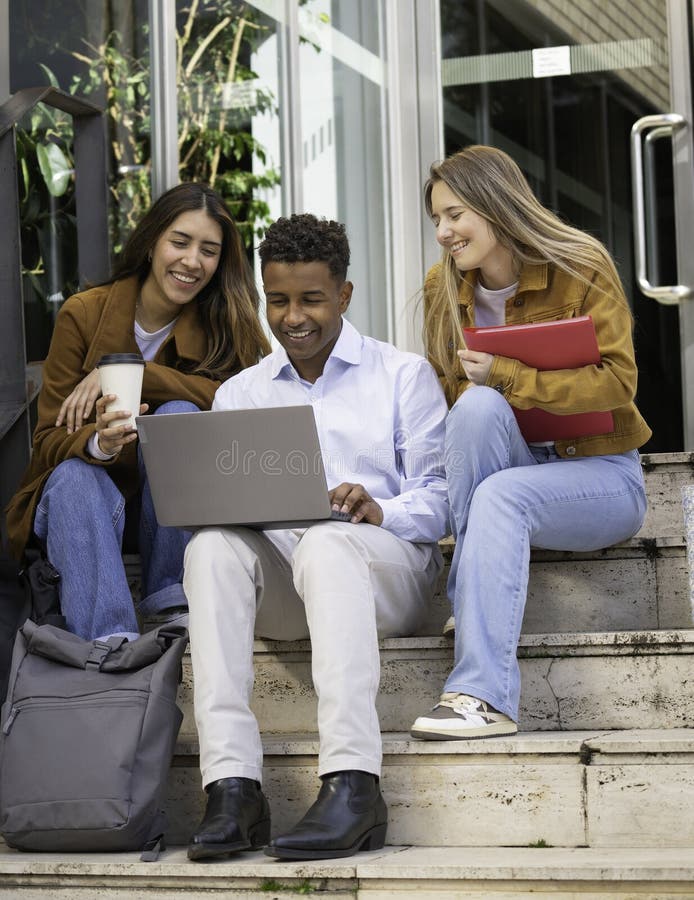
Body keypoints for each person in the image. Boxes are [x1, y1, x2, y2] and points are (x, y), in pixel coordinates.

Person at [183, 213, 449, 861]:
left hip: (387, 577)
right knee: (209, 547)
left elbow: (443, 501)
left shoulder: (402, 375)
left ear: (344, 295)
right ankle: (232, 788)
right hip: (291, 584)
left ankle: (354, 785)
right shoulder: (240, 394)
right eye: (278, 300)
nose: (293, 317)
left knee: (328, 543)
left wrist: (379, 509)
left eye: (311, 299)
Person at [409, 145, 651, 741]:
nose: (443, 232)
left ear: (495, 205)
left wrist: (508, 374)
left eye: (455, 215)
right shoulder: (443, 285)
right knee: (474, 408)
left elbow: (618, 382)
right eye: (436, 218)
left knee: (501, 491)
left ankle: (482, 697)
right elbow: (449, 394)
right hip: (510, 461)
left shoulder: (579, 263)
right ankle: (474, 600)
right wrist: (487, 387)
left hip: (600, 472)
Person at [5, 182, 270, 642]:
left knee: (179, 414)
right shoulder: (83, 315)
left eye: (208, 251)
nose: (192, 261)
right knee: (75, 476)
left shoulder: (225, 321)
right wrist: (98, 444)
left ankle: (172, 601)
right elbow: (46, 442)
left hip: (173, 518)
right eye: (180, 242)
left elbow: (245, 404)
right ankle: (112, 644)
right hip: (85, 511)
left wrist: (139, 373)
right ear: (151, 243)